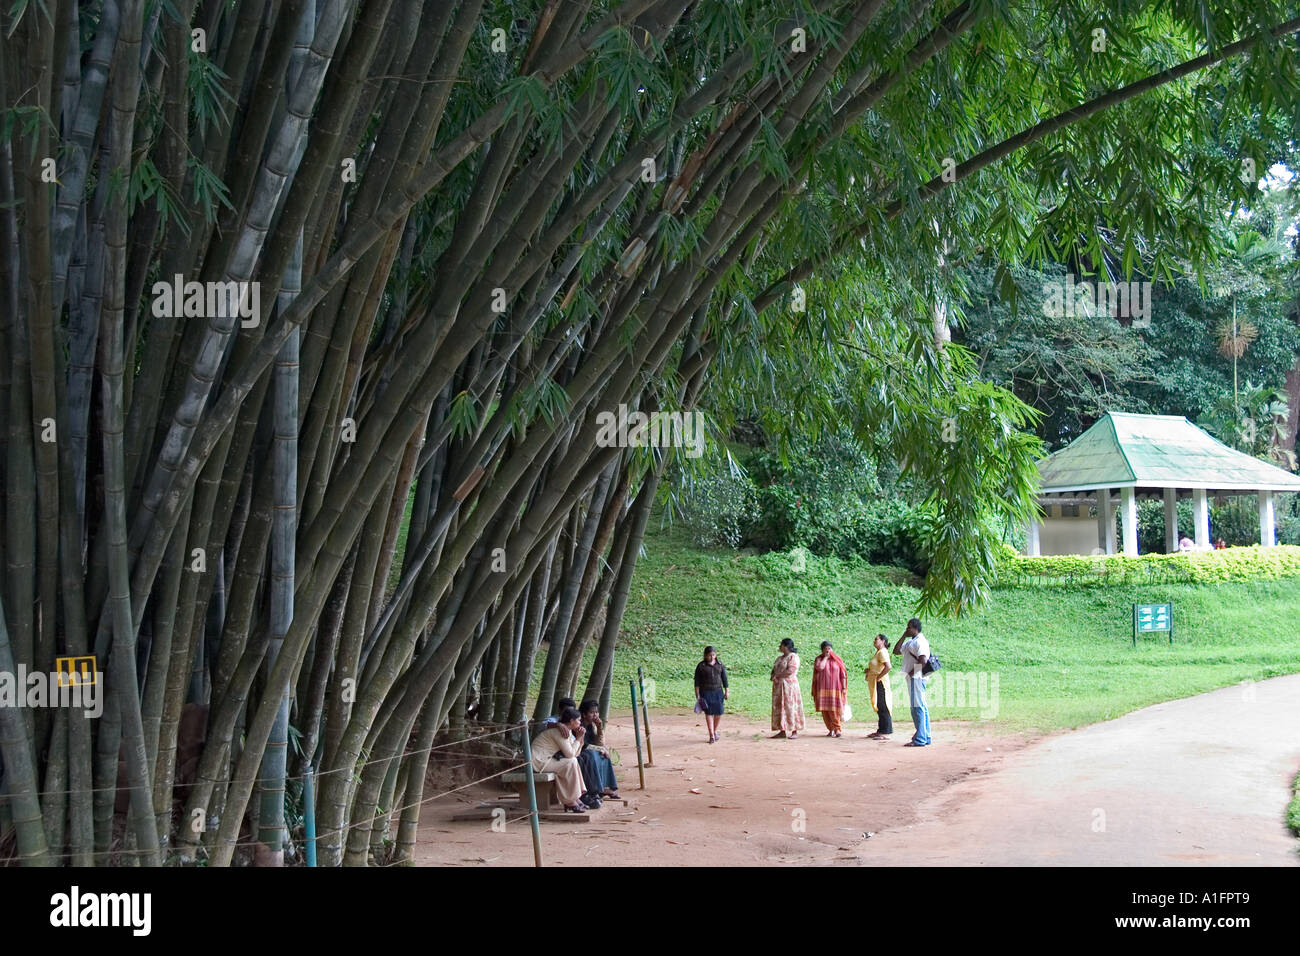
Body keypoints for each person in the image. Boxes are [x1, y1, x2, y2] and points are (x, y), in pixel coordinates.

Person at [530, 706, 588, 812]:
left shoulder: (567, 732)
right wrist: (578, 738)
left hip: (547, 759)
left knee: (572, 761)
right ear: (571, 721)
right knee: (570, 762)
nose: (580, 722)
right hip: (539, 761)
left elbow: (575, 754)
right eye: (578, 720)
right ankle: (570, 800)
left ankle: (574, 798)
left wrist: (581, 738)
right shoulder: (560, 732)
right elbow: (570, 754)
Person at [892, 617, 931, 747]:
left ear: (915, 628)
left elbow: (923, 660)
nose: (907, 629)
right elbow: (896, 651)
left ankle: (920, 738)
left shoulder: (920, 642)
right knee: (921, 707)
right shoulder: (911, 642)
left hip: (917, 678)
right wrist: (904, 635)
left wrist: (911, 673)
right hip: (914, 678)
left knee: (917, 708)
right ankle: (925, 736)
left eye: (909, 627)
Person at [577, 699, 619, 800]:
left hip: (590, 750)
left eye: (596, 712)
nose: (595, 715)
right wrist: (600, 749)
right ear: (584, 714)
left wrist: (599, 727)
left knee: (604, 754)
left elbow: (599, 743)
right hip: (580, 752)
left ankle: (605, 786)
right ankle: (598, 789)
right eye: (591, 712)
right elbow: (584, 745)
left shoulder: (591, 725)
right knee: (594, 754)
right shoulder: (579, 726)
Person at [769, 638, 806, 739]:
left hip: (789, 687)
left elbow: (791, 670)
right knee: (780, 707)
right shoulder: (779, 658)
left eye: (781, 645)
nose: (779, 647)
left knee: (791, 706)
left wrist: (778, 676)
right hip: (779, 687)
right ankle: (782, 730)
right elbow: (774, 670)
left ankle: (794, 731)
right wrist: (773, 676)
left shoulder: (793, 657)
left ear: (786, 646)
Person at [693, 646, 729, 743]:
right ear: (705, 656)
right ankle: (711, 735)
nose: (712, 657)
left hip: (718, 692)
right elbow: (697, 682)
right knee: (708, 713)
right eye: (709, 655)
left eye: (713, 655)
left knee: (719, 712)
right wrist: (697, 695)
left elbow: (725, 679)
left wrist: (727, 691)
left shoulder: (720, 665)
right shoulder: (701, 666)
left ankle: (715, 730)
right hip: (706, 692)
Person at [812, 641, 848, 737]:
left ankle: (837, 728)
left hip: (835, 689)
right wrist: (826, 658)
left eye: (829, 648)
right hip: (822, 689)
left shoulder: (838, 660)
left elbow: (843, 675)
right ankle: (830, 729)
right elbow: (820, 668)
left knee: (834, 709)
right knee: (825, 710)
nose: (828, 650)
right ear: (822, 650)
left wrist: (844, 688)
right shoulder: (819, 659)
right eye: (826, 648)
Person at [864, 633, 893, 739]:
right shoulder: (878, 653)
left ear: (883, 642)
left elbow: (888, 667)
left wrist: (879, 677)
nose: (874, 641)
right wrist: (870, 671)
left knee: (883, 705)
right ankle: (881, 730)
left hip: (881, 683)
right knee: (879, 706)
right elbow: (878, 666)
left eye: (877, 639)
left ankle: (885, 732)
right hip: (877, 682)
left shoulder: (882, 652)